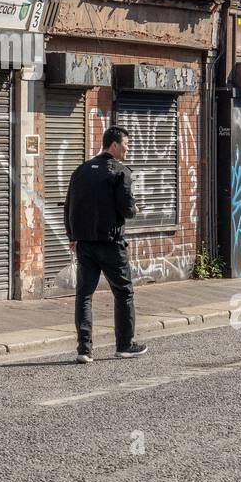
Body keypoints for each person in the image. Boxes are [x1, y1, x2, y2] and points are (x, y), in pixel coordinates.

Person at [64, 125, 147, 363]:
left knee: (84, 295)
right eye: (126, 144)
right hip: (111, 244)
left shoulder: (80, 171)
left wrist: (72, 236)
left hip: (85, 244)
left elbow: (68, 207)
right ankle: (124, 345)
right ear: (114, 145)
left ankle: (84, 349)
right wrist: (134, 208)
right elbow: (126, 209)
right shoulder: (121, 172)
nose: (128, 149)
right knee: (124, 293)